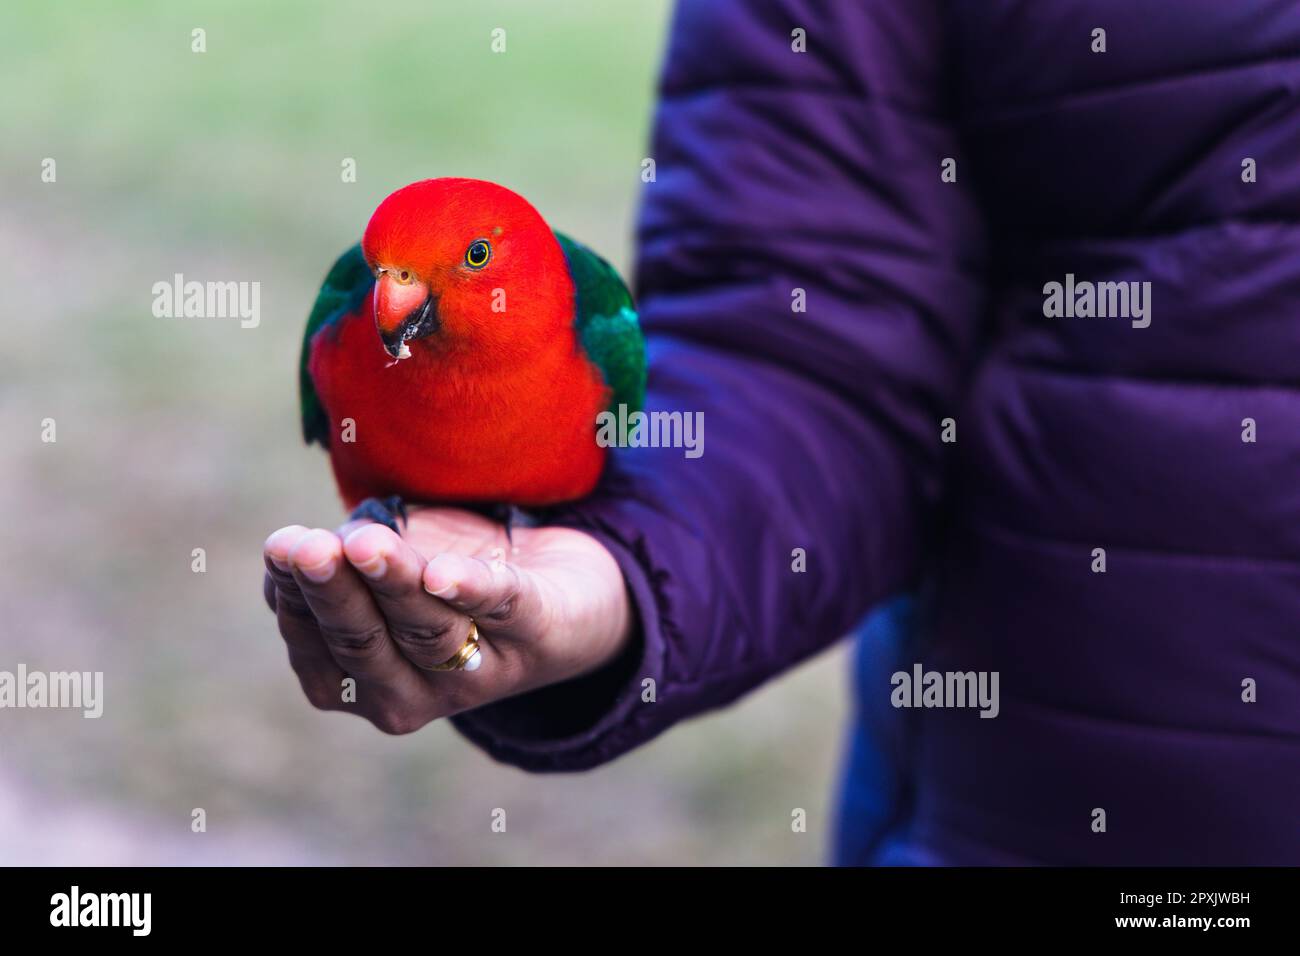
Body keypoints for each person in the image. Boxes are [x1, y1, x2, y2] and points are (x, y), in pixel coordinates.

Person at [263, 0, 1300, 864]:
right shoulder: (351, 331)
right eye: (387, 271)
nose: (394, 298)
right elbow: (806, 338)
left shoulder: (593, 330)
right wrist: (625, 567)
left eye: (459, 265)